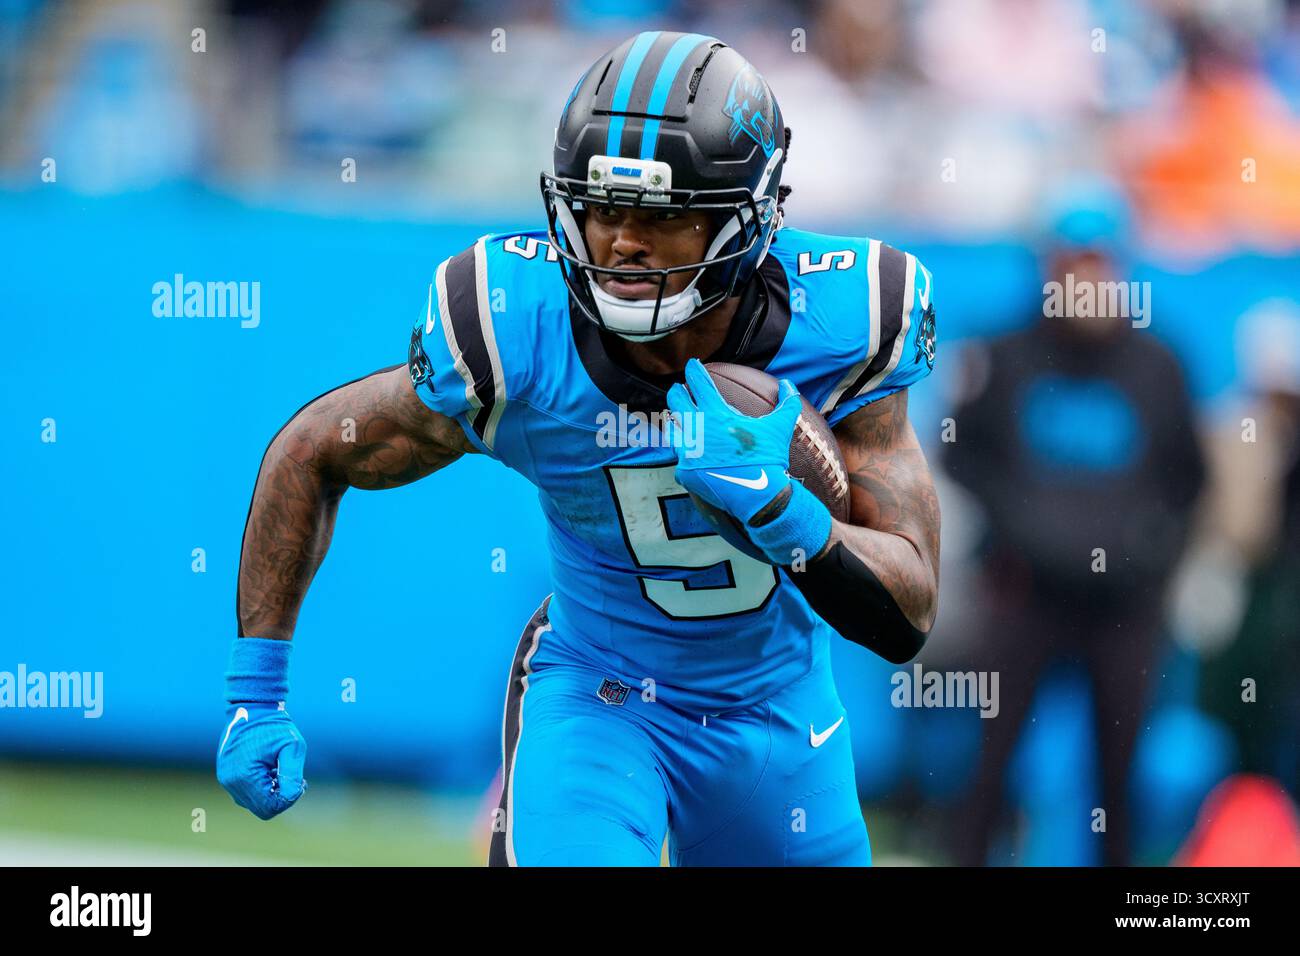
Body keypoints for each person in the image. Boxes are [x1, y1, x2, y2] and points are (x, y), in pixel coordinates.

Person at [216, 31, 941, 866]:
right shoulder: (515, 329)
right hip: (601, 697)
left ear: (749, 218)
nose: (622, 243)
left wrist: (784, 514)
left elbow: (910, 610)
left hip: (777, 716)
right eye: (601, 210)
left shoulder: (846, 320)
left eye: (662, 216)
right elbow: (314, 449)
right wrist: (253, 694)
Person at [943, 179, 1206, 865]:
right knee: (993, 761)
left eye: (1098, 261)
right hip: (1025, 592)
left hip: (1125, 604)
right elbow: (962, 455)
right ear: (1048, 267)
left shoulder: (1158, 365)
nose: (1086, 278)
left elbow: (1189, 478)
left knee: (1117, 773)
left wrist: (1151, 552)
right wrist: (1023, 531)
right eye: (1072, 261)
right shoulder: (1006, 357)